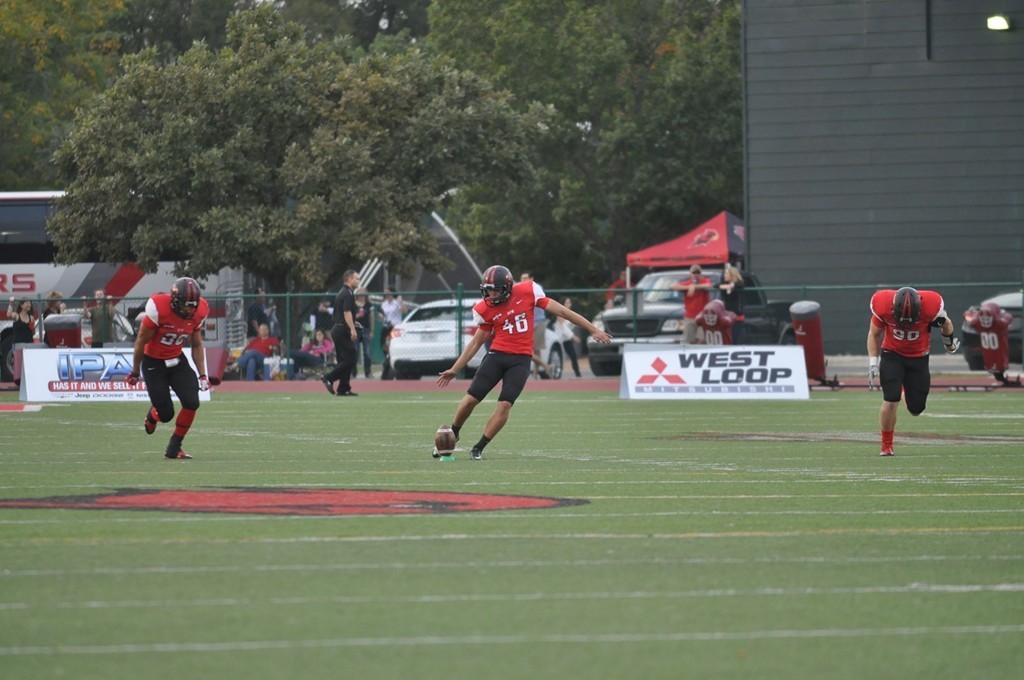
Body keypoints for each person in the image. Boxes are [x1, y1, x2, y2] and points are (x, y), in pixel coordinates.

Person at [436, 265, 612, 460]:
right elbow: (477, 341)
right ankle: (454, 433)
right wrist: (455, 368)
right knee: (471, 399)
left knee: (504, 405)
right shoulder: (485, 308)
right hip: (496, 356)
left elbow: (562, 311)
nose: (491, 294)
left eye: (495, 290)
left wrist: (592, 329)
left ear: (508, 287)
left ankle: (479, 447)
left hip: (520, 360)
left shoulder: (528, 291)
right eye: (488, 290)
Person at [867, 286, 959, 457]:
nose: (906, 323)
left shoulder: (931, 307)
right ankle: (886, 445)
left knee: (916, 409)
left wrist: (949, 344)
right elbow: (874, 334)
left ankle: (902, 389)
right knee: (890, 399)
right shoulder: (883, 304)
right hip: (892, 355)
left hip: (919, 358)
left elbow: (946, 322)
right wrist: (873, 362)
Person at [127, 277, 209, 460]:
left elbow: (196, 344)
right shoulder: (158, 309)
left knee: (192, 401)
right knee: (166, 414)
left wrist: (203, 375)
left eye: (193, 305)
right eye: (186, 305)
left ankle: (174, 448)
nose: (190, 310)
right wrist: (135, 371)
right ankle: (152, 416)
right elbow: (141, 341)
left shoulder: (198, 312)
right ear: (174, 301)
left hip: (177, 360)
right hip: (153, 363)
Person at [321, 270, 360, 396]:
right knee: (350, 359)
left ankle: (343, 388)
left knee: (344, 359)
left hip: (338, 328)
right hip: (342, 330)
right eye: (356, 278)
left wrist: (354, 323)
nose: (358, 281)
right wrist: (352, 329)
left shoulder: (343, 292)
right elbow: (346, 312)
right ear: (349, 279)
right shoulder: (348, 293)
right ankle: (329, 378)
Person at [670, 265, 713, 344]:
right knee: (689, 341)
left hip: (702, 316)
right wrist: (688, 287)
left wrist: (694, 287)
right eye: (694, 272)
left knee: (702, 340)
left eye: (698, 272)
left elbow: (708, 285)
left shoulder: (705, 280)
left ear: (700, 273)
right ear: (691, 273)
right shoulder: (687, 283)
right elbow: (672, 286)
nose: (696, 274)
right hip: (690, 316)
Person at [519, 271, 550, 377]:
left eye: (525, 278)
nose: (523, 280)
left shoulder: (535, 288)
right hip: (530, 323)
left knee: (533, 350)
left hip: (538, 322)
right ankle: (541, 371)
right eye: (522, 278)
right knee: (532, 350)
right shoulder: (522, 289)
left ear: (531, 279)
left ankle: (542, 369)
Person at [378, 287, 406, 379]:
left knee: (396, 344)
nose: (386, 295)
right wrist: (381, 317)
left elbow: (405, 310)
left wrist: (400, 302)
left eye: (388, 293)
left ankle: (395, 364)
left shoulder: (396, 302)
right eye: (385, 293)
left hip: (396, 327)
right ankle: (387, 358)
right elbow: (382, 316)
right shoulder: (384, 304)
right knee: (384, 344)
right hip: (387, 327)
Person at [554, 296, 583, 377]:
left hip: (567, 340)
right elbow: (564, 328)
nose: (570, 304)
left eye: (570, 302)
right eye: (567, 303)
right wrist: (573, 337)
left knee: (573, 356)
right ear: (563, 304)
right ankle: (556, 374)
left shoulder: (569, 314)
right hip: (560, 340)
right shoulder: (559, 314)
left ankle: (578, 374)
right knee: (560, 358)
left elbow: (571, 325)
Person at [718, 264, 745, 344]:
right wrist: (723, 286)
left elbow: (740, 284)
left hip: (737, 316)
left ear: (732, 275)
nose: (724, 275)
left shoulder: (738, 285)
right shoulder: (724, 284)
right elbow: (716, 285)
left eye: (726, 274)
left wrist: (731, 285)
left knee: (735, 338)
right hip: (726, 317)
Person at [352, 287, 374, 379]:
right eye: (359, 292)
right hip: (355, 329)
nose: (361, 294)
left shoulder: (369, 305)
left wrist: (372, 331)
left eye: (363, 292)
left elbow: (372, 318)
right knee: (354, 351)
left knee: (367, 352)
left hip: (365, 330)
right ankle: (353, 372)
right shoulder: (352, 305)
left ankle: (368, 372)